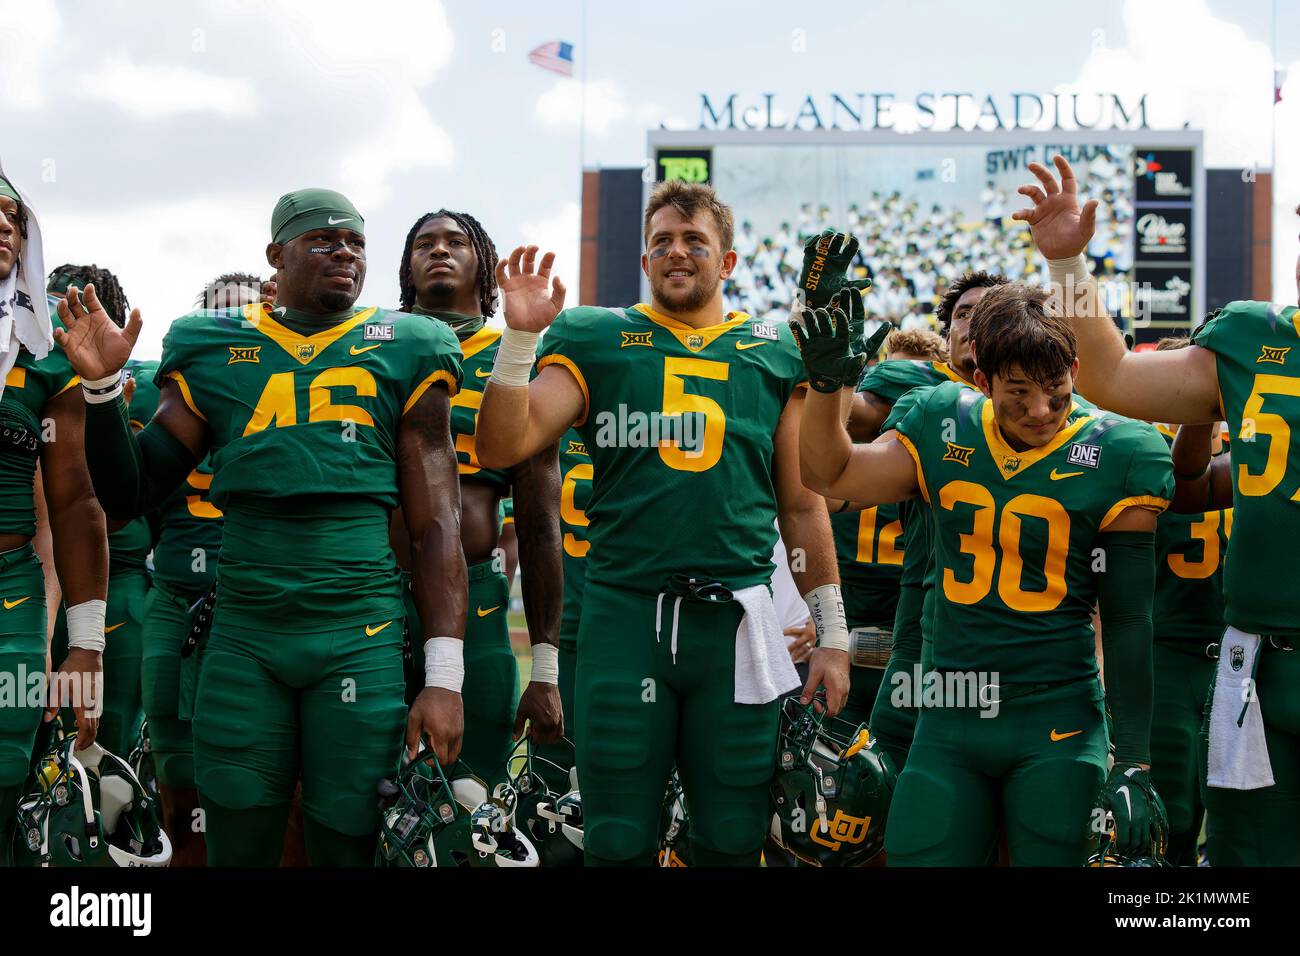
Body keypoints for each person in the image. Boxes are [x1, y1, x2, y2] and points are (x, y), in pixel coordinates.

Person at [55, 188, 467, 866]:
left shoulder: (407, 344)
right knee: (237, 829)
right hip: (247, 632)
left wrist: (443, 676)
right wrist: (101, 395)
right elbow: (131, 495)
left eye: (356, 244)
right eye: (323, 241)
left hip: (357, 631)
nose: (344, 254)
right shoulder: (214, 346)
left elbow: (437, 525)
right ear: (277, 255)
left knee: (346, 826)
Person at [473, 181, 851, 866]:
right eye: (662, 243)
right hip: (627, 616)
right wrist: (521, 338)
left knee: (734, 834)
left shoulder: (772, 348)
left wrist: (832, 631)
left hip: (737, 620)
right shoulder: (596, 335)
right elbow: (502, 445)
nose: (677, 253)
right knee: (616, 836)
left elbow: (800, 504)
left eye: (694, 241)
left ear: (728, 262)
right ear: (645, 261)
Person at [794, 275, 1172, 865]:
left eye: (1056, 388)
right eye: (1017, 392)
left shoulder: (1121, 450)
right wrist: (826, 384)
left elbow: (1127, 620)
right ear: (981, 378)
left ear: (1075, 366)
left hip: (1058, 715)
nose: (1040, 410)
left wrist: (1133, 759)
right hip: (948, 715)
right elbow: (828, 474)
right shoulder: (941, 420)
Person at [1015, 159, 1300, 865]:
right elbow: (1113, 378)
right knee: (1247, 857)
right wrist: (1068, 264)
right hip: (1257, 664)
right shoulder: (1253, 340)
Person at [394, 209, 562, 787]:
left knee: (469, 800)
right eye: (424, 243)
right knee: (352, 804)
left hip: (480, 598)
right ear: (406, 267)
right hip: (370, 595)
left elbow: (540, 526)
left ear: (483, 265)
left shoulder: (517, 357)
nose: (439, 250)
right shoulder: (373, 345)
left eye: (456, 241)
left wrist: (545, 668)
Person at [847, 272, 1006, 770]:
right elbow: (844, 440)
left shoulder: (1052, 403)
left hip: (1017, 632)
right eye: (963, 313)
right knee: (878, 786)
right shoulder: (920, 386)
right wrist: (827, 373)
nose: (974, 322)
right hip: (919, 622)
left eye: (990, 311)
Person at [0, 175, 108, 856]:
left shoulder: (41, 357)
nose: (3, 226)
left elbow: (71, 503)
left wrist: (82, 643)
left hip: (7, 587)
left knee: (9, 775)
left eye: (13, 217)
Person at [44, 265, 152, 760]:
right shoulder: (27, 370)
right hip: (42, 576)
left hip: (113, 579)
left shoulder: (140, 384)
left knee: (100, 755)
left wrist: (108, 415)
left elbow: (113, 507)